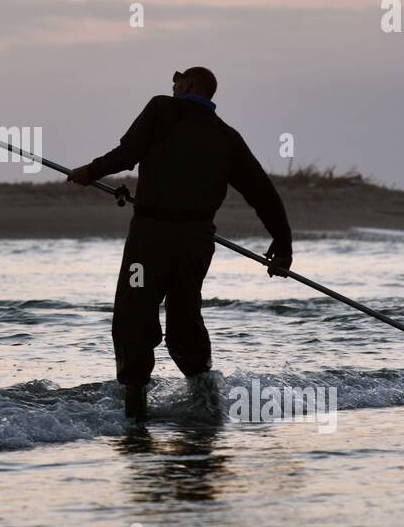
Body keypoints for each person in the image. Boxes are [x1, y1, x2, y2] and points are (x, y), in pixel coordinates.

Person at [68, 67, 293, 421]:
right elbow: (263, 193)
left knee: (135, 310)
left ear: (188, 84)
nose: (171, 87)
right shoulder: (226, 136)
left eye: (176, 81)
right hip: (195, 244)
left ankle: (135, 412)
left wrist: (89, 172)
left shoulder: (161, 109)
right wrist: (283, 248)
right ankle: (206, 407)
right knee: (185, 314)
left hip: (150, 239)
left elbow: (126, 155)